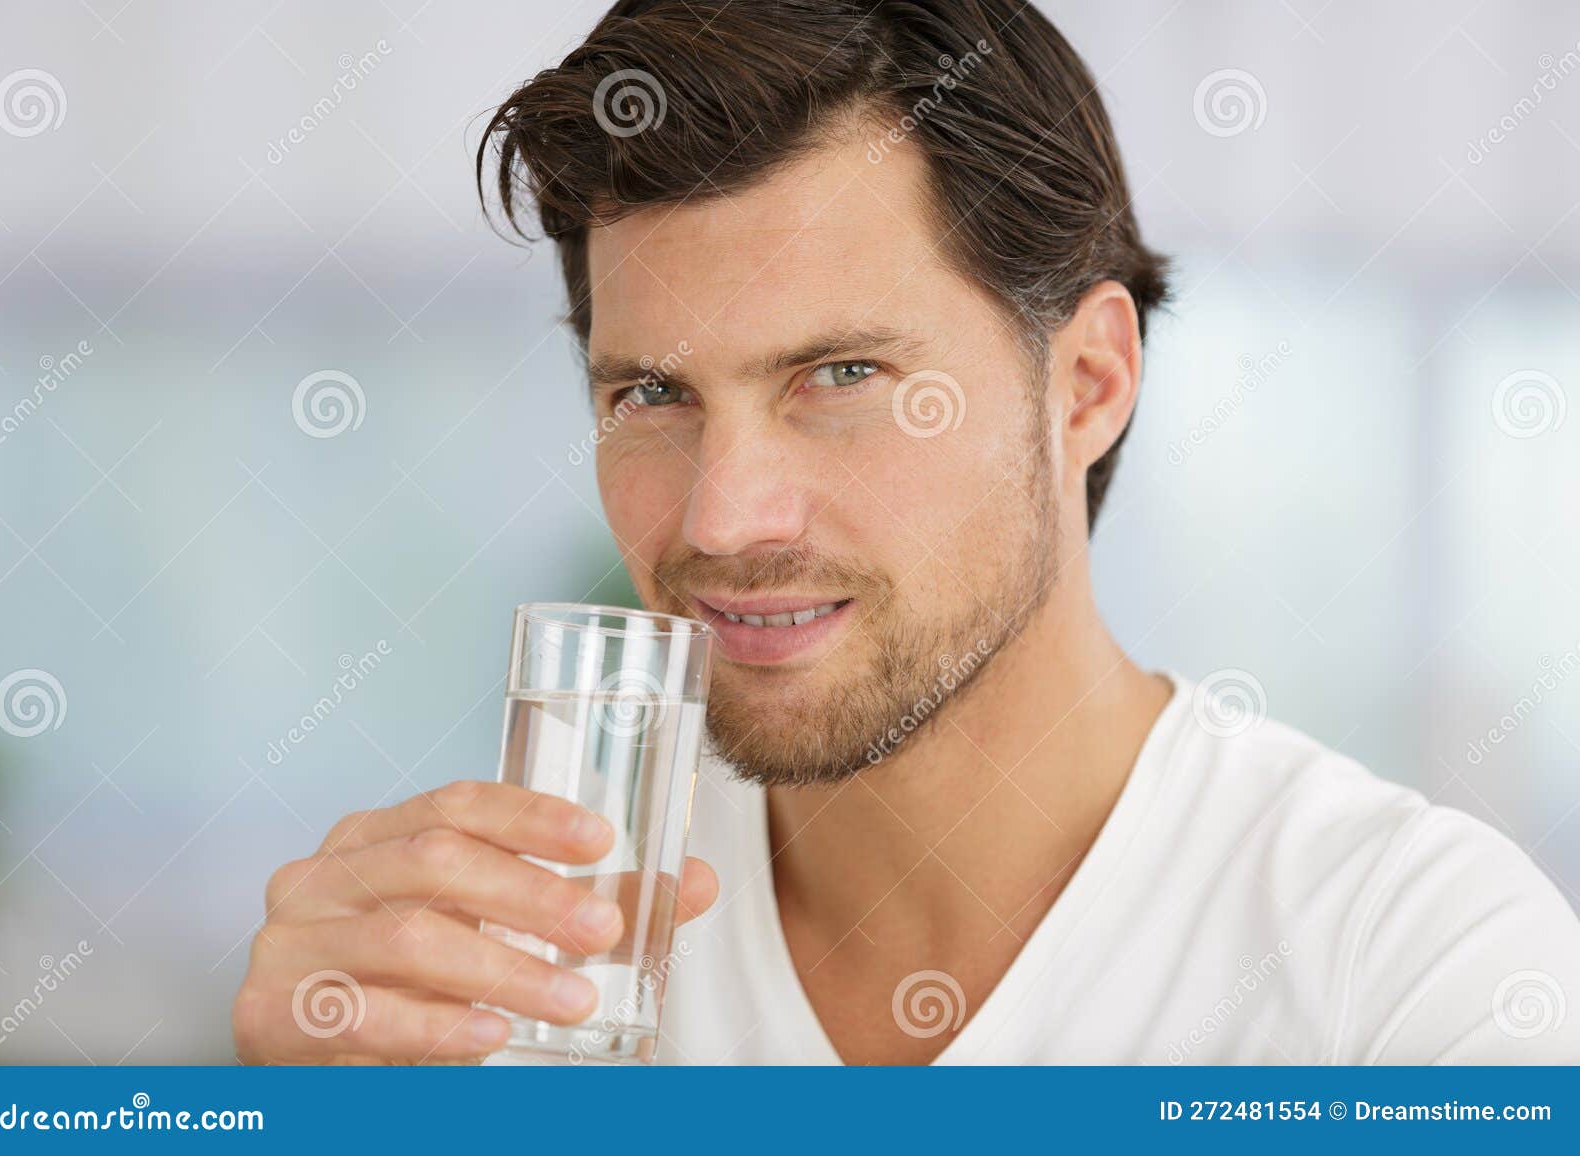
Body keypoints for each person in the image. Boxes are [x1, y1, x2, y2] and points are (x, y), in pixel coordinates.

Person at [232, 0, 1580, 1065]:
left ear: (1088, 385)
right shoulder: (517, 980)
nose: (722, 517)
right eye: (653, 394)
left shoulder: (1409, 970)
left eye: (842, 377)